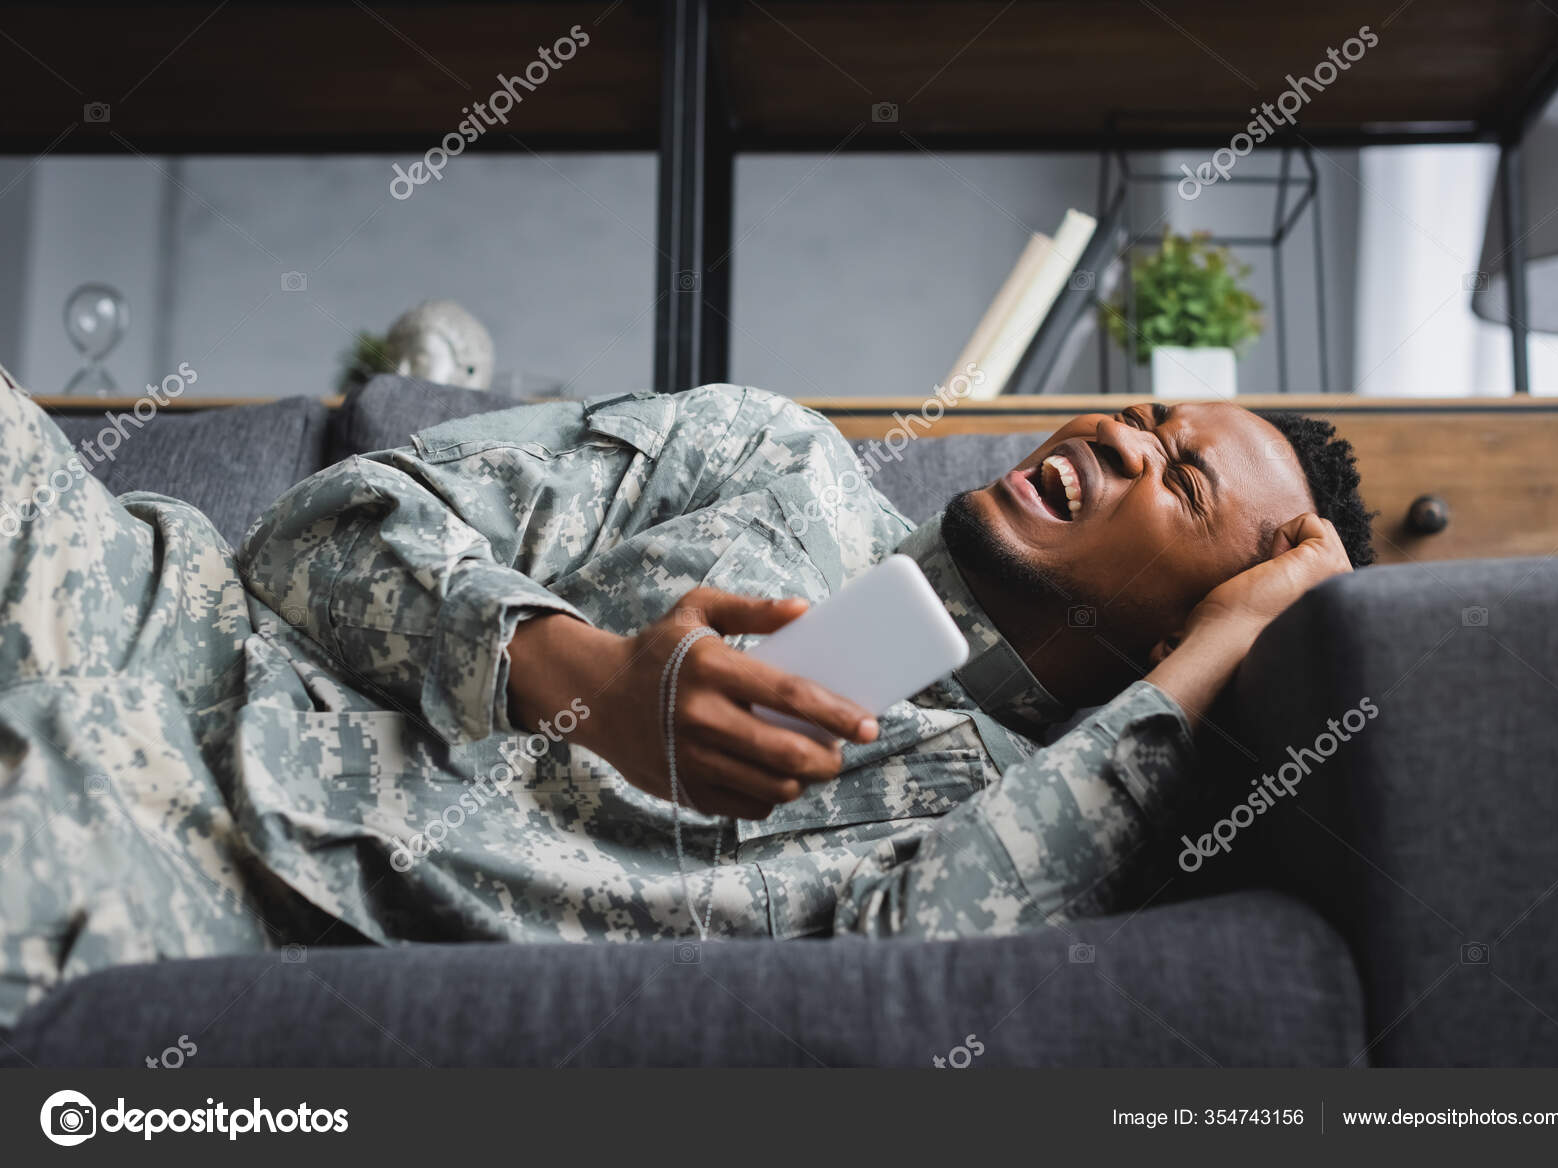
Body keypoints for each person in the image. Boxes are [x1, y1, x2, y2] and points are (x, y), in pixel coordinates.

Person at [0, 371, 1371, 1030]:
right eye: (1149, 416)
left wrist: (1221, 654)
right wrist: (579, 679)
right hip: (154, 613)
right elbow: (315, 537)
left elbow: (914, 992)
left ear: (1188, 629)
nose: (1123, 438)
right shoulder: (768, 453)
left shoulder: (1036, 829)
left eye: (1182, 481)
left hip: (218, 857)